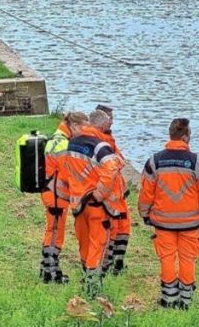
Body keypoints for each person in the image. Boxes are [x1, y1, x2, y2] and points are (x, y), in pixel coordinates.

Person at [138, 118, 199, 310]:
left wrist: (145, 214)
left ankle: (168, 299)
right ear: (186, 137)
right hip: (190, 222)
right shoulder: (198, 163)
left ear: (170, 135)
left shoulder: (154, 161)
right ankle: (185, 301)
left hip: (163, 221)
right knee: (188, 259)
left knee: (167, 258)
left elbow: (146, 193)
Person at [48, 111, 123, 296]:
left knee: (84, 242)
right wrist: (100, 193)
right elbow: (113, 168)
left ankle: (85, 278)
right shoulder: (100, 146)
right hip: (96, 205)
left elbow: (65, 175)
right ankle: (92, 286)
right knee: (97, 244)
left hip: (78, 204)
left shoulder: (70, 145)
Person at [39, 111, 88, 284]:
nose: (84, 132)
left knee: (52, 230)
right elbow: (69, 175)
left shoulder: (56, 139)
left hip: (51, 192)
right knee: (55, 233)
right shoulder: (64, 145)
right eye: (83, 128)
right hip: (56, 195)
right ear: (74, 126)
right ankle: (51, 273)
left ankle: (47, 269)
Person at [93, 104, 131, 275]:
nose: (112, 122)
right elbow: (115, 164)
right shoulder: (101, 141)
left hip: (117, 193)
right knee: (113, 230)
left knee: (122, 228)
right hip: (110, 194)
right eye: (110, 119)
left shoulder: (108, 138)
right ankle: (108, 264)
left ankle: (117, 262)